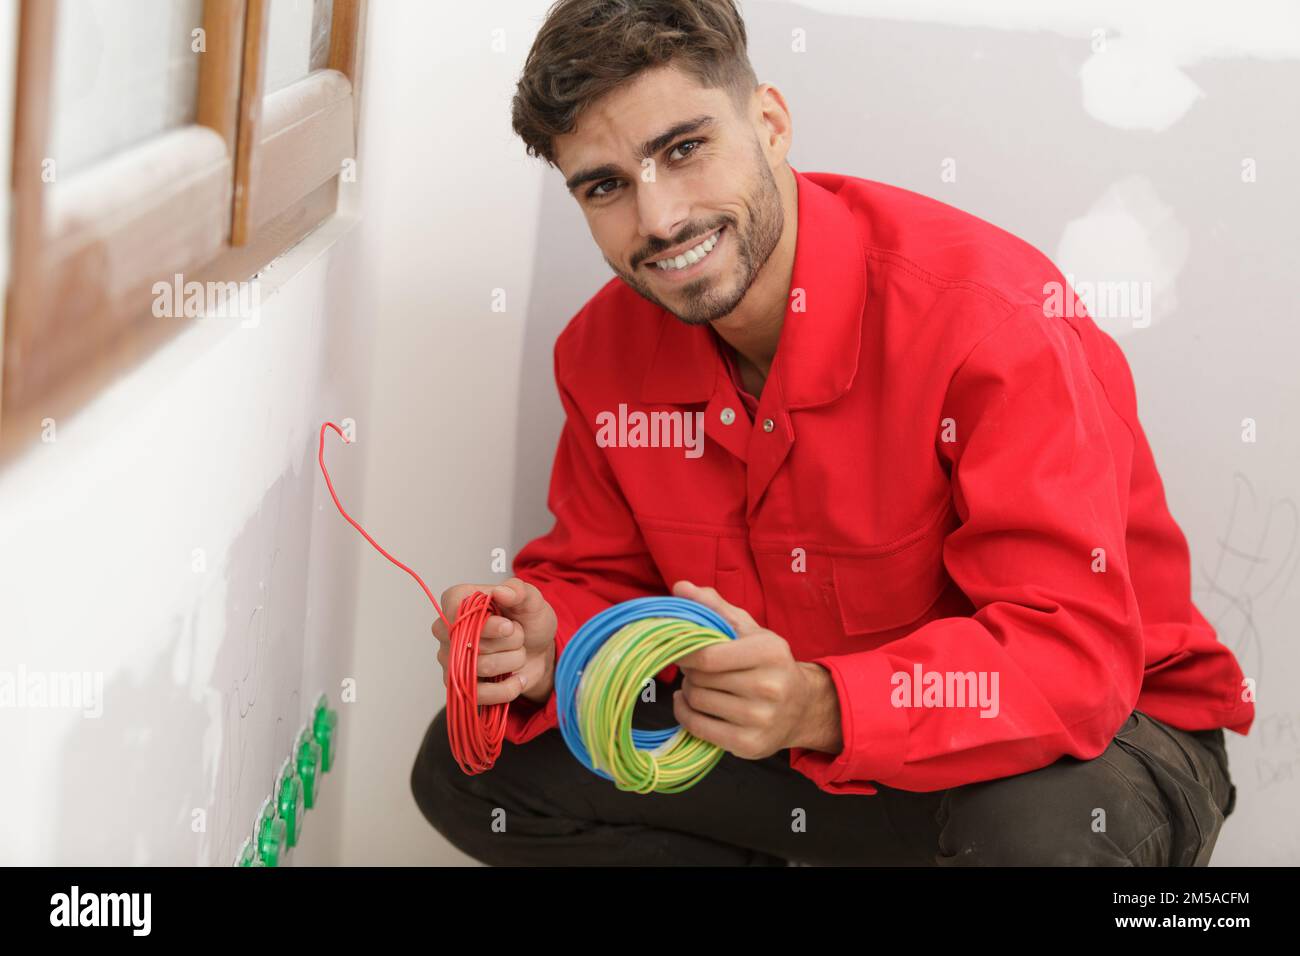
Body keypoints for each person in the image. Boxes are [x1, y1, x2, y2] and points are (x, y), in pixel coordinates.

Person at [411, 0, 1251, 866]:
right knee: (471, 769)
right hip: (814, 750)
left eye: (684, 148)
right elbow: (609, 578)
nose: (658, 219)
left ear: (769, 122)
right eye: (606, 185)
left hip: (1096, 743)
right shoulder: (602, 352)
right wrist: (552, 640)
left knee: (1031, 844)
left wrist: (823, 704)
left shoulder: (990, 325)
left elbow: (1070, 661)